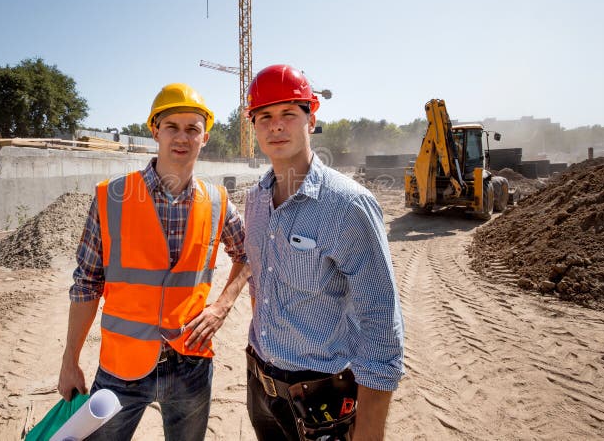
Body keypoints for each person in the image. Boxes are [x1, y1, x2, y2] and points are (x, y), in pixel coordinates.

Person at [58, 83, 251, 441]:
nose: (182, 137)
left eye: (192, 129)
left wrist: (222, 307)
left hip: (190, 363)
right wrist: (70, 360)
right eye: (172, 127)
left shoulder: (217, 201)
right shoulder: (112, 196)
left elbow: (248, 254)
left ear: (204, 137)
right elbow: (86, 282)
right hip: (121, 366)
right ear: (154, 131)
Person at [243, 64, 405, 441]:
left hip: (321, 401)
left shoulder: (347, 206)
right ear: (253, 127)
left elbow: (381, 323)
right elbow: (260, 287)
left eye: (288, 114)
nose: (276, 126)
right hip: (261, 387)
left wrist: (368, 433)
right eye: (264, 116)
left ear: (311, 119)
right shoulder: (254, 201)